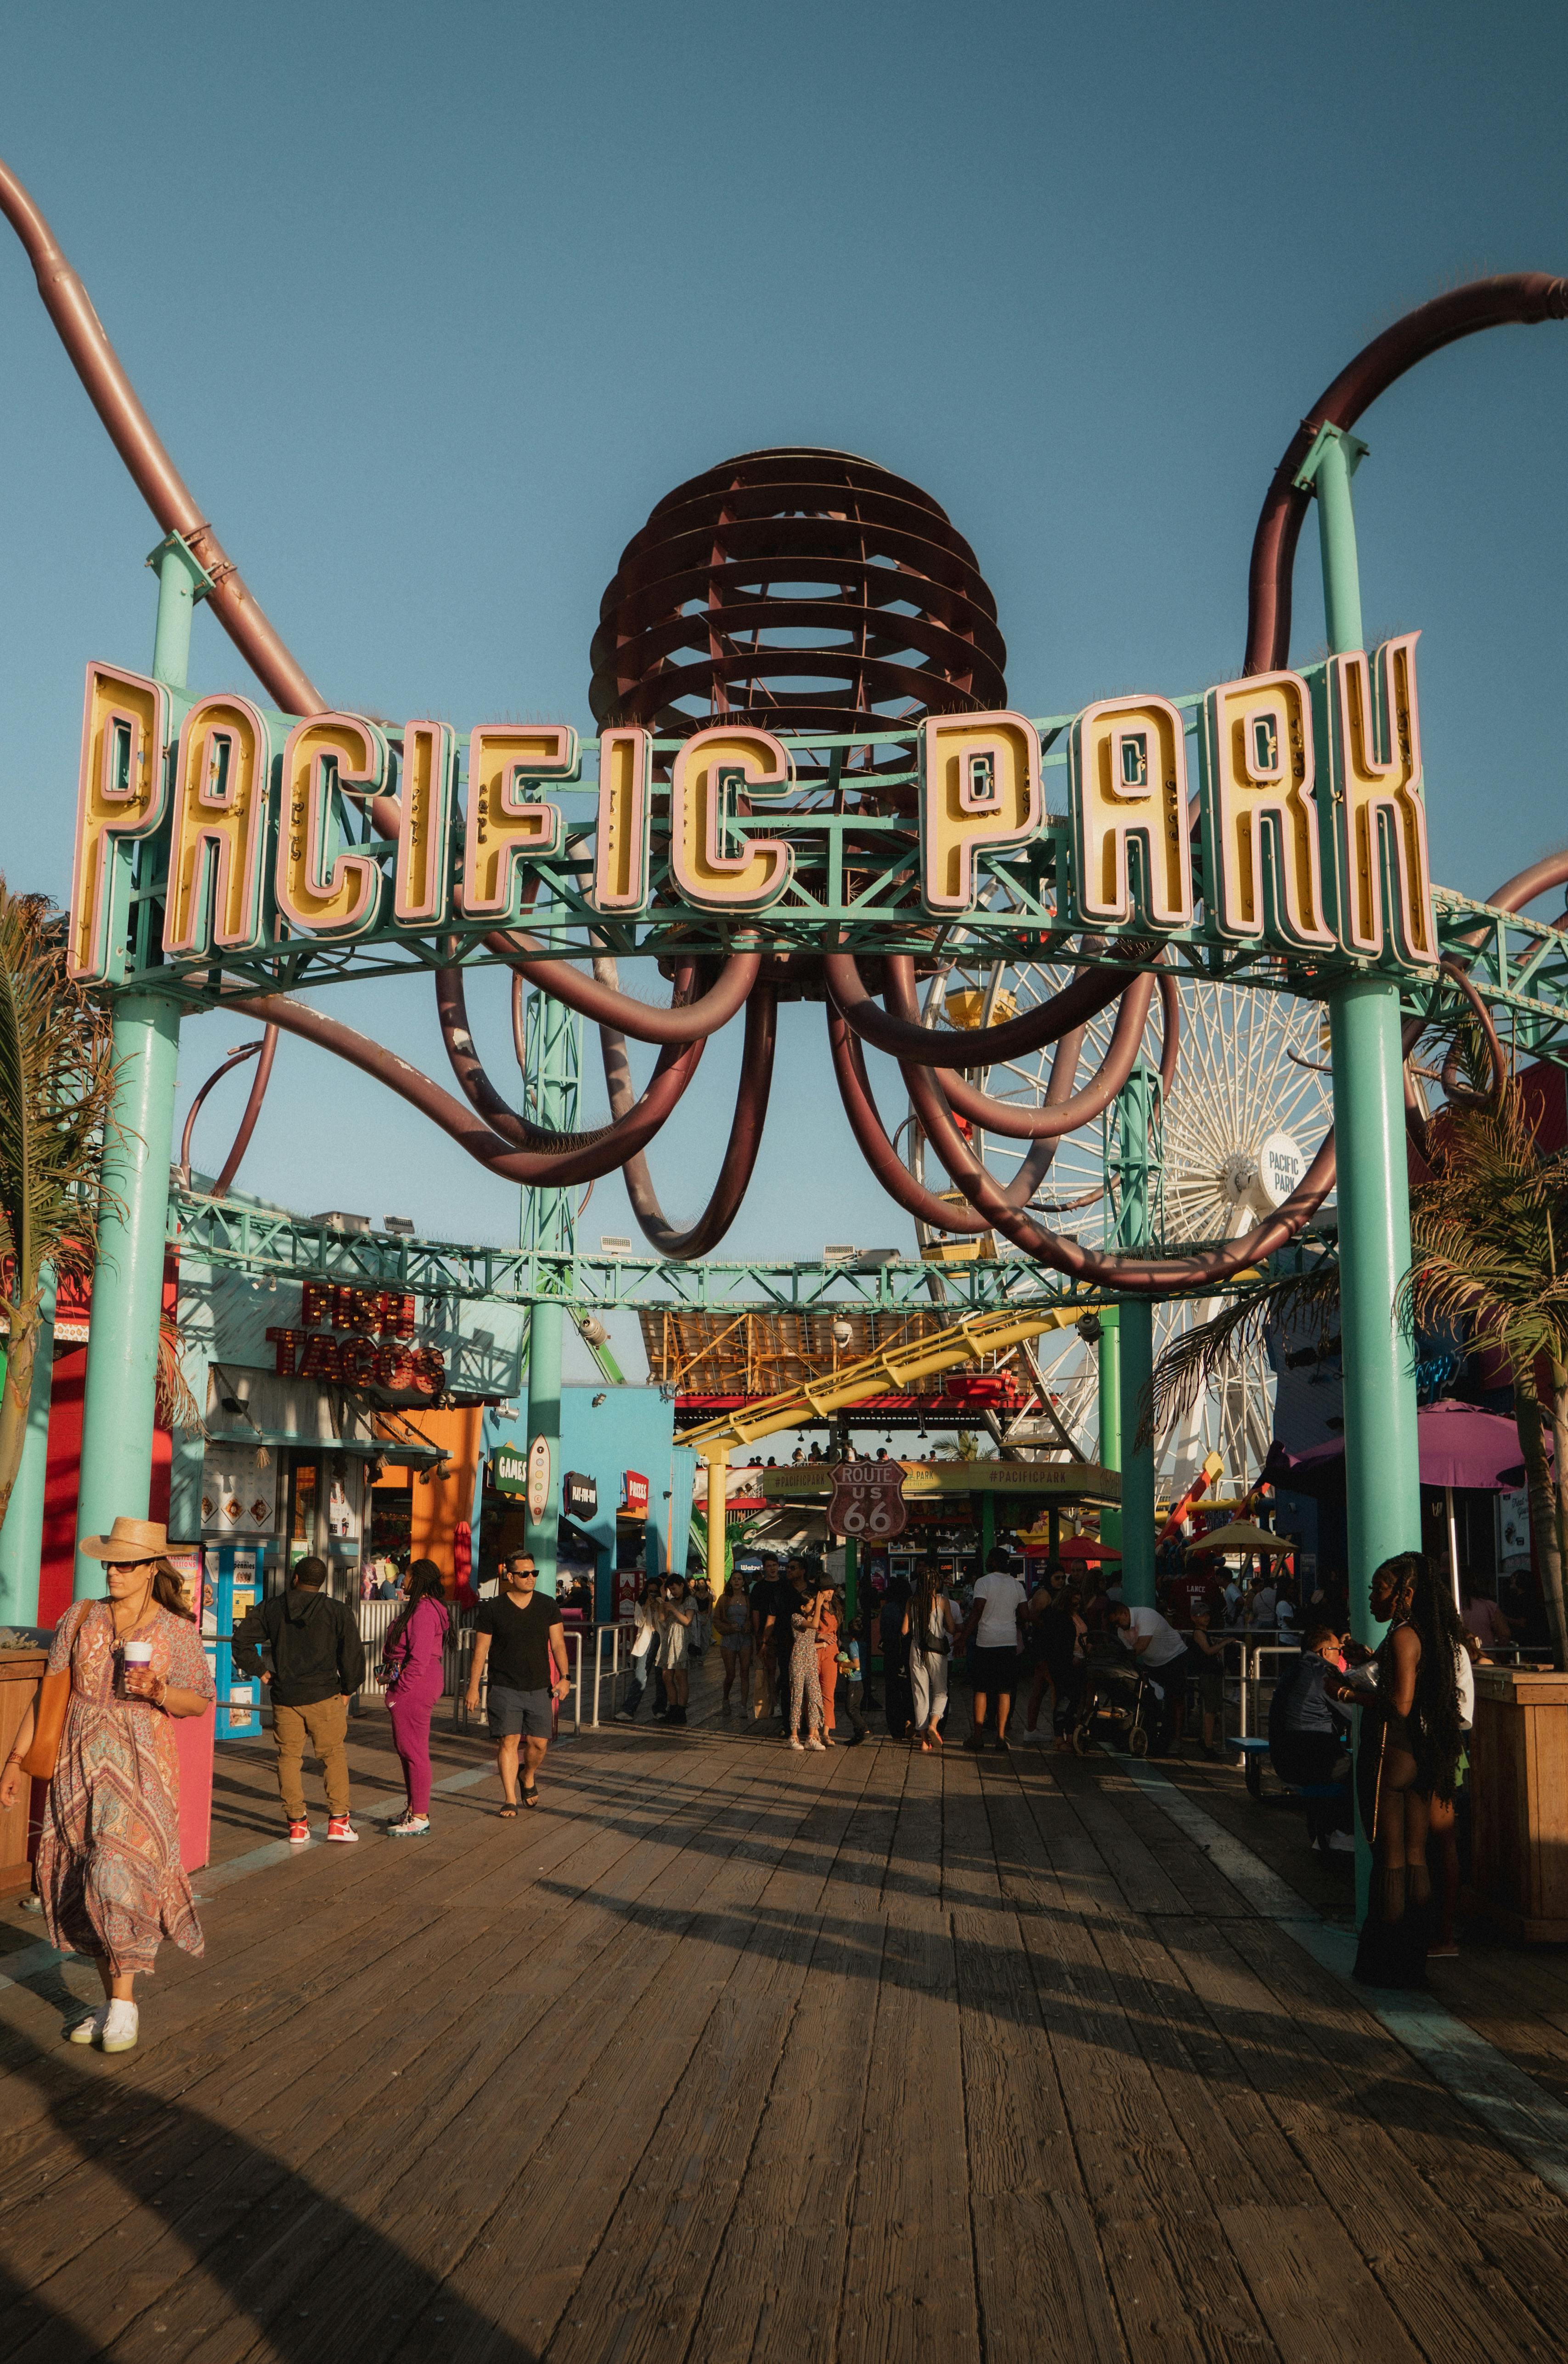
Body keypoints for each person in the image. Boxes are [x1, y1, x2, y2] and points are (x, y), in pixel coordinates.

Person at [0, 1516, 215, 2055]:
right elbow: (47, 1698)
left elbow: (199, 1699)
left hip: (142, 1766)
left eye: (127, 1563)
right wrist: (14, 1759)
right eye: (110, 1562)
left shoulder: (175, 1630)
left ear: (150, 1569)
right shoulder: (80, 1617)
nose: (114, 1571)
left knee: (118, 1872)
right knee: (80, 1877)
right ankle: (110, 2000)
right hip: (78, 1760)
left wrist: (162, 1690)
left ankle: (124, 2004)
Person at [1325, 1552, 1464, 1988]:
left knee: (1388, 1858)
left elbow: (1400, 1703)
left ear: (1405, 1593)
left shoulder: (1403, 1636)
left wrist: (1346, 1692)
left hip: (1391, 1751)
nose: (1371, 1596)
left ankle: (1384, 1966)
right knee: (1416, 1855)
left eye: (1379, 1587)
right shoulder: (1424, 1634)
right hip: (1419, 1756)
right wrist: (1366, 1658)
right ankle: (1411, 1961)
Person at [234, 1554, 365, 1844]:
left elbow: (241, 1641)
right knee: (333, 1756)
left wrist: (263, 1673)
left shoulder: (273, 1607)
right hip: (325, 1695)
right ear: (322, 1582)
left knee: (289, 1758)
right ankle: (339, 1822)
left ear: (295, 1578)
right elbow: (353, 1655)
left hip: (286, 1696)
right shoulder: (338, 1611)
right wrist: (348, 1690)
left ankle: (296, 1824)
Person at [465, 1553, 570, 1811]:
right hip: (504, 1686)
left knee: (539, 1744)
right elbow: (481, 1650)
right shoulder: (493, 1609)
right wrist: (473, 1687)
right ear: (510, 1577)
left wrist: (566, 1677)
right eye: (524, 1574)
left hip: (539, 1687)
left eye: (534, 1573)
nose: (531, 1578)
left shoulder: (548, 1606)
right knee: (508, 1742)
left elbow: (557, 1643)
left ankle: (528, 1774)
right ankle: (509, 1799)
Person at [381, 1558, 450, 1837]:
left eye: (407, 1576)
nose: (403, 1580)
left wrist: (399, 1690)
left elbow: (419, 1659)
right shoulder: (429, 1608)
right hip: (419, 1682)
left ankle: (420, 1815)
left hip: (416, 1685)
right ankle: (414, 1808)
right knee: (408, 1749)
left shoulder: (423, 1611)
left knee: (414, 1751)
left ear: (417, 1579)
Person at [1269, 1625, 1354, 1846]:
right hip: (1310, 1762)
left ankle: (1324, 1832)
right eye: (1338, 1650)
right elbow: (1354, 1713)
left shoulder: (1295, 1669)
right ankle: (1343, 1832)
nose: (1341, 1654)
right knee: (1362, 1769)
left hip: (1283, 1759)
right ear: (1326, 1652)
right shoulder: (1324, 1674)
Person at [961, 1549, 1026, 1751]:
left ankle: (978, 1736)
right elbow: (1024, 1613)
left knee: (981, 1689)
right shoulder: (1017, 1585)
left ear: (993, 1562)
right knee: (1004, 1691)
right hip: (1008, 1643)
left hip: (986, 1642)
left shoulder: (983, 1582)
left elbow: (978, 1610)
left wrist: (963, 1637)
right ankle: (1000, 1736)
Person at [1107, 1600, 1191, 1750]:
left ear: (1124, 1613)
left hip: (1174, 1656)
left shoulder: (1145, 1616)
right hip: (1153, 1662)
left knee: (1176, 1698)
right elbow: (1131, 1653)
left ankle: (1177, 1738)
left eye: (1118, 1621)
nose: (1118, 1626)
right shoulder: (1121, 1631)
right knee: (1150, 1697)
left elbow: (1140, 1647)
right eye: (1115, 1624)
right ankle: (1155, 1734)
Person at [905, 1563, 959, 1751]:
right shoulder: (942, 1601)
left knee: (920, 1693)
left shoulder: (912, 1601)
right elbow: (952, 1628)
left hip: (916, 1650)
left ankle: (923, 1741)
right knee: (940, 1691)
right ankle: (934, 1725)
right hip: (936, 1651)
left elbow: (904, 1630)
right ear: (937, 1584)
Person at [786, 1575, 828, 1750]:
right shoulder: (796, 1617)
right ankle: (794, 1735)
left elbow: (811, 1639)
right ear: (803, 1607)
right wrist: (818, 1606)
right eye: (810, 1605)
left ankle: (812, 1735)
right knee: (797, 1696)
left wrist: (823, 1643)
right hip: (799, 1660)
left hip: (811, 1658)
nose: (813, 1608)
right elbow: (814, 1625)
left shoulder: (810, 1616)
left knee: (814, 1695)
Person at [1188, 1602, 1230, 1761]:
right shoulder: (1199, 1634)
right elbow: (1208, 1651)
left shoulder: (1204, 1633)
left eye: (1207, 1615)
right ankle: (1208, 1743)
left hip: (1211, 1673)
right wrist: (1224, 1643)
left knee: (1211, 1709)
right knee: (1210, 1711)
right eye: (1201, 1615)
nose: (1206, 1618)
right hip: (1209, 1674)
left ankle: (1207, 1741)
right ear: (1194, 1618)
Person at [615, 1575, 661, 1721]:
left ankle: (660, 1709)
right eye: (650, 1591)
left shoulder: (663, 1603)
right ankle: (629, 1710)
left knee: (662, 1677)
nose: (652, 1594)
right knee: (640, 1675)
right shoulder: (640, 1603)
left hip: (661, 1639)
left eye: (656, 1591)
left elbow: (665, 1623)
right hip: (646, 1640)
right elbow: (638, 1623)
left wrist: (659, 1607)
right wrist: (646, 1607)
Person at [877, 1574, 913, 1740]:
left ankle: (896, 1727)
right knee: (909, 1690)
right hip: (909, 1653)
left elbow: (884, 1632)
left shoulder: (888, 1608)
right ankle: (911, 1720)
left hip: (892, 1653)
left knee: (892, 1691)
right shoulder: (910, 1607)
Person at [655, 1576, 695, 1724]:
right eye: (671, 1589)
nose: (673, 1592)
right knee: (666, 1675)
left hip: (681, 1639)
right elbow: (662, 1619)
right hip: (669, 1638)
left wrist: (673, 1610)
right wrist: (663, 1599)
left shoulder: (690, 1601)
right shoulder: (671, 1601)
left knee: (681, 1677)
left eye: (675, 1588)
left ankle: (681, 1709)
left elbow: (687, 1621)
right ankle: (673, 1707)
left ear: (682, 1586)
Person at [831, 1594, 868, 1744]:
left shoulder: (853, 1646)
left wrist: (843, 1665)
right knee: (855, 1707)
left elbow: (856, 1664)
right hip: (861, 1681)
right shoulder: (864, 1644)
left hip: (855, 1680)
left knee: (850, 1709)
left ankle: (863, 1729)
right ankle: (858, 1735)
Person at [750, 1554, 782, 1719]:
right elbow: (755, 1612)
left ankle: (779, 1701)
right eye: (769, 1566)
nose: (772, 1568)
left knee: (784, 1671)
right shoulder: (758, 1588)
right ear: (764, 1568)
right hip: (765, 1635)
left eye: (775, 1565)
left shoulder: (785, 1585)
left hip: (783, 1634)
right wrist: (758, 1635)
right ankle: (774, 1704)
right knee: (770, 1671)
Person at [716, 1574, 752, 1713]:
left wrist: (748, 1625)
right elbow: (717, 1619)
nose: (737, 1581)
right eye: (734, 1579)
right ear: (730, 1582)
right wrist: (729, 1628)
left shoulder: (748, 1599)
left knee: (745, 1672)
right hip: (729, 1638)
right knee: (730, 1673)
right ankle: (726, 1699)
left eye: (739, 1579)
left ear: (744, 1582)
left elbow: (752, 1617)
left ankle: (743, 1705)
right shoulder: (724, 1599)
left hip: (745, 1638)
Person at [1458, 1579, 1511, 1651]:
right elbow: (1504, 1634)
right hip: (1486, 1655)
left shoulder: (1448, 1607)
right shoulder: (1488, 1606)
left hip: (1462, 1657)